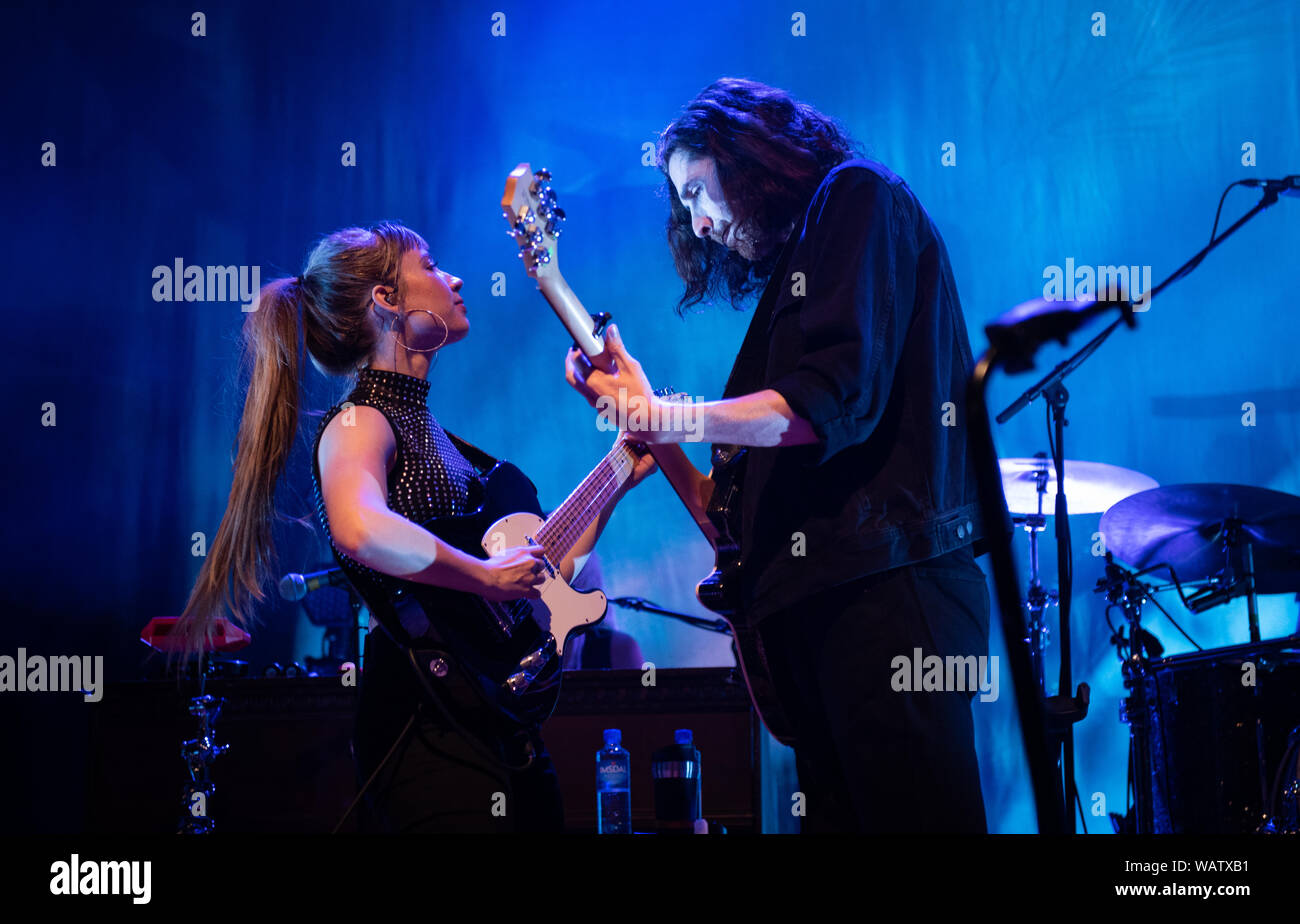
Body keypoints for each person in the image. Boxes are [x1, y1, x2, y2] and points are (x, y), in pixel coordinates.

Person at [564, 79, 1008, 833]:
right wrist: (652, 425)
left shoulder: (857, 196)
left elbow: (828, 400)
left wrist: (664, 411)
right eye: (684, 208)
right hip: (824, 621)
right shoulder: (793, 291)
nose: (699, 224)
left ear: (753, 156)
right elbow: (727, 518)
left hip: (889, 602)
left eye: (699, 191)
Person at [177, 221, 653, 832]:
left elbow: (540, 574)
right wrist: (483, 576)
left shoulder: (441, 439)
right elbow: (359, 526)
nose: (454, 278)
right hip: (427, 729)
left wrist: (618, 473)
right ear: (386, 300)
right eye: (429, 265)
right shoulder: (360, 423)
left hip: (501, 729)